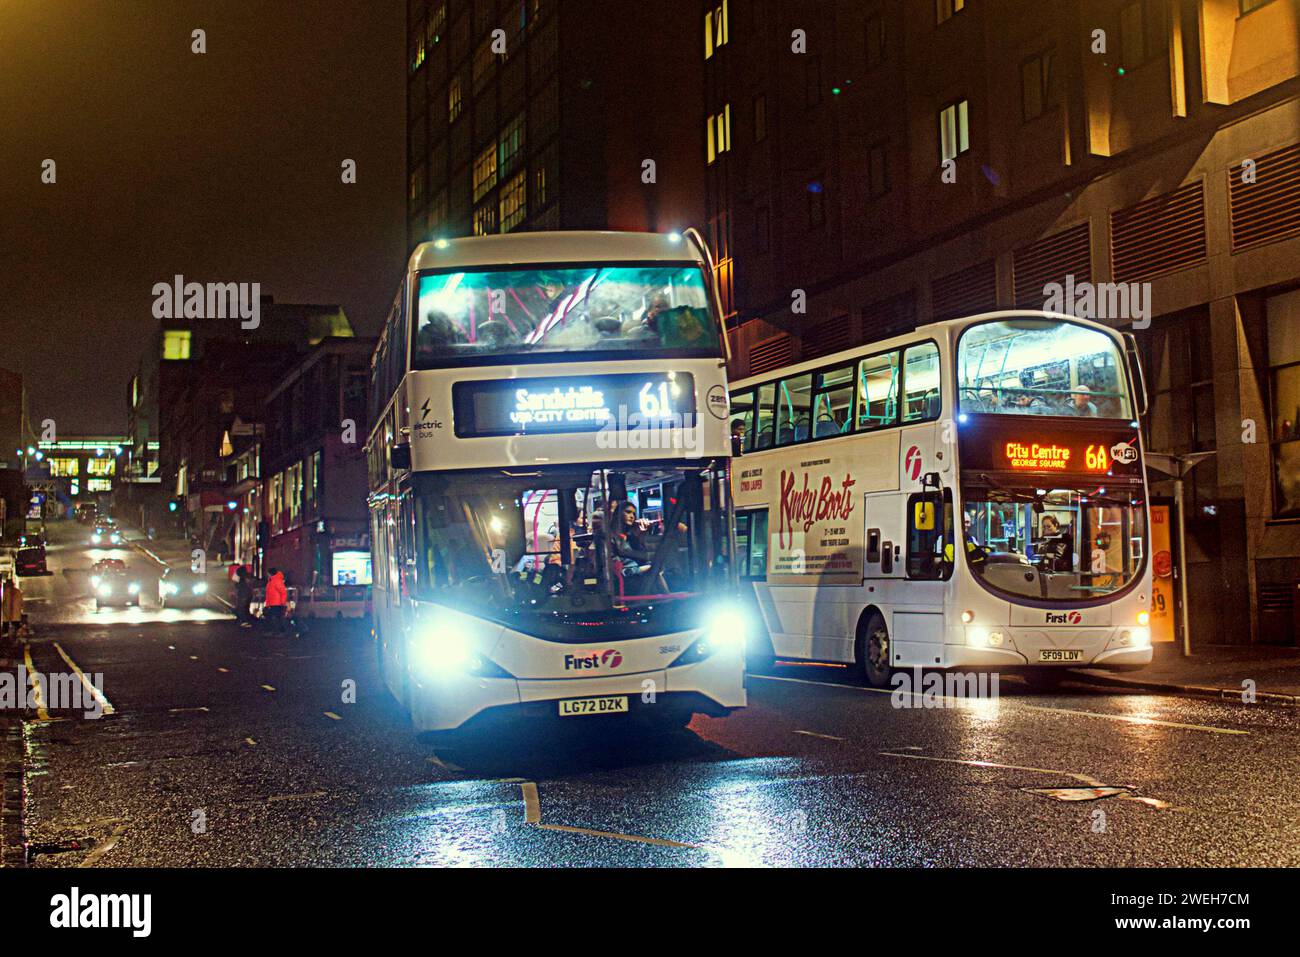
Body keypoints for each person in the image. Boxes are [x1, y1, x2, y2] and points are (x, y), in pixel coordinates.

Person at [263, 567, 289, 635]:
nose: (267, 574)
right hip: (273, 602)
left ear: (270, 573)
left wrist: (283, 603)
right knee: (274, 617)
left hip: (276, 603)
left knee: (274, 617)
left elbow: (283, 592)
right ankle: (277, 631)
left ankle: (277, 631)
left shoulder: (275, 580)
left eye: (268, 573)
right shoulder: (272, 580)